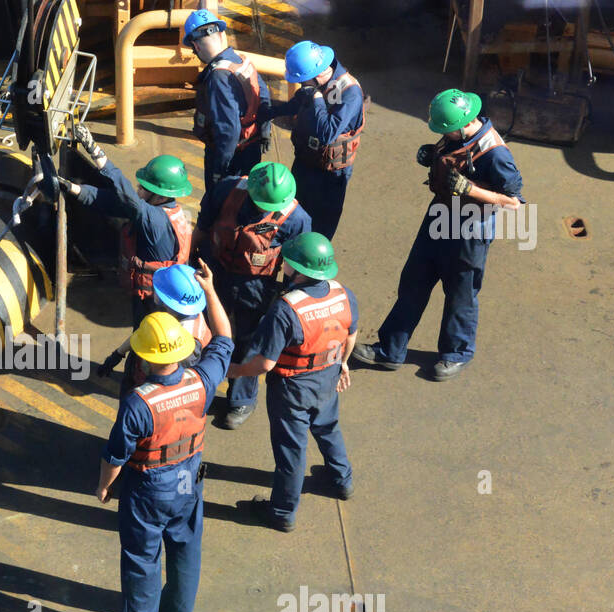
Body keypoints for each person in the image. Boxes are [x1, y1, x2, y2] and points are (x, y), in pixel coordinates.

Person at [96, 260, 234, 612]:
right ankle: (178, 610)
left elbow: (116, 455)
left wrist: (104, 488)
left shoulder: (139, 403)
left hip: (147, 487)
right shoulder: (202, 380)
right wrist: (209, 290)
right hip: (189, 476)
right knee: (186, 542)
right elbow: (224, 337)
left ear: (144, 356)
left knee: (142, 559)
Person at [351, 89, 523, 381]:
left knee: (460, 294)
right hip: (440, 216)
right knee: (413, 281)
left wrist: (471, 190)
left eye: (446, 131)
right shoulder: (457, 134)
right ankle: (390, 349)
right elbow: (451, 156)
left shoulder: (495, 154)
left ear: (462, 123)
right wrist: (435, 156)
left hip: (470, 230)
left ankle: (457, 354)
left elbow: (514, 201)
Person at [227, 232, 358, 532]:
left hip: (292, 388)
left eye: (289, 261)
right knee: (328, 428)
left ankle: (283, 511)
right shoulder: (342, 293)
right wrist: (343, 365)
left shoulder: (286, 309)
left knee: (291, 450)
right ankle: (342, 480)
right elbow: (350, 334)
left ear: (299, 270)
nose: (283, 264)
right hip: (327, 377)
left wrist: (234, 371)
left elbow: (266, 363)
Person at [192, 161, 311, 430]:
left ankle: (241, 399)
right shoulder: (226, 190)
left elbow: (298, 262)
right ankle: (200, 385)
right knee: (204, 332)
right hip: (214, 271)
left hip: (256, 285)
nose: (264, 212)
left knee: (249, 341)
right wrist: (187, 261)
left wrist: (290, 298)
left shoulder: (296, 218)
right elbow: (202, 226)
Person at [62, 124, 193, 324]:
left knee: (147, 342)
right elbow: (113, 203)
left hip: (155, 302)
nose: (139, 189)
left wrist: (95, 151)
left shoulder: (154, 221)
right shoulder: (166, 212)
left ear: (159, 195)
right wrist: (73, 189)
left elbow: (126, 195)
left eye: (144, 187)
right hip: (160, 293)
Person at [263, 40, 366, 240]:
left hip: (329, 175)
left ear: (317, 75)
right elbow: (295, 105)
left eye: (303, 82)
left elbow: (327, 133)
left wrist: (316, 97)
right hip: (305, 162)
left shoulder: (349, 93)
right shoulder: (314, 84)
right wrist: (266, 111)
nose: (301, 86)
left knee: (319, 230)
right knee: (292, 215)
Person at [183, 8, 270, 191]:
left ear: (196, 47)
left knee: (221, 210)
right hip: (251, 149)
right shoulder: (240, 60)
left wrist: (220, 169)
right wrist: (264, 131)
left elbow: (228, 129)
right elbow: (263, 95)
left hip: (232, 157)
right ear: (222, 34)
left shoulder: (218, 77)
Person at [99, 263, 213, 398]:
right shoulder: (177, 314)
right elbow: (144, 332)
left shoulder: (187, 341)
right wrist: (118, 353)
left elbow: (168, 379)